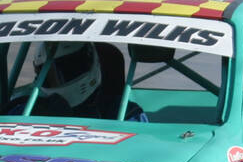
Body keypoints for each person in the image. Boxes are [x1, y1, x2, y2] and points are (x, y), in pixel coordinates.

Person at [10, 42, 147, 121]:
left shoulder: (124, 113)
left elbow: (141, 155)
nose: (58, 80)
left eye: (68, 70)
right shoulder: (28, 110)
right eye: (49, 74)